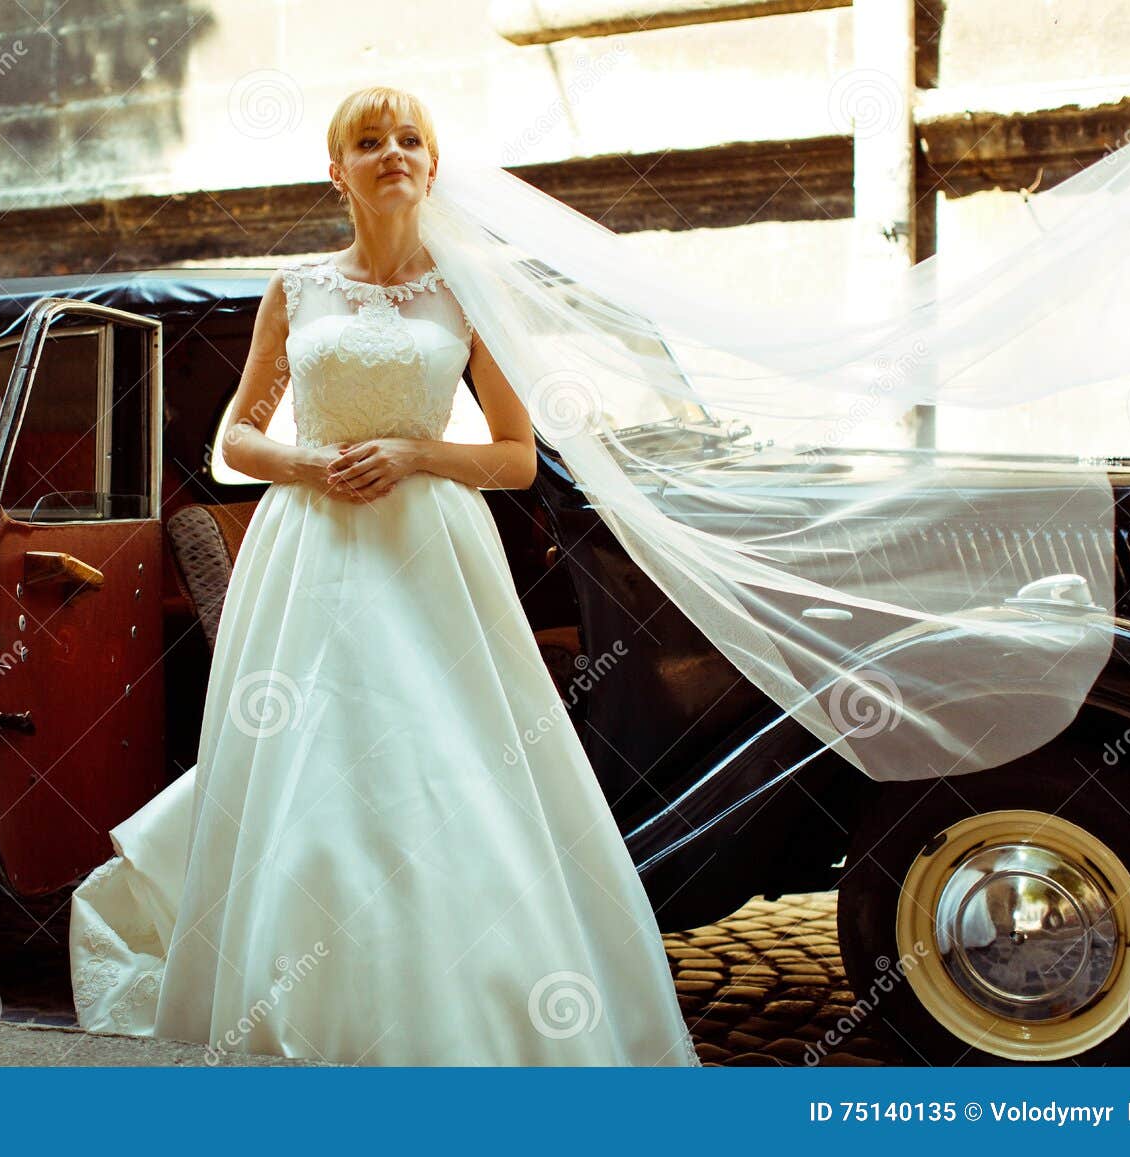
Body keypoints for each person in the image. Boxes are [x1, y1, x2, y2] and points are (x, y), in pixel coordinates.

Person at [68, 85, 701, 1067]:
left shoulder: (464, 294)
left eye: (410, 138)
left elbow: (514, 456)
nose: (393, 151)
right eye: (369, 141)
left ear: (433, 167)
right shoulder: (297, 289)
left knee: (442, 759)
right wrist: (309, 462)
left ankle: (468, 1010)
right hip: (309, 546)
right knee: (312, 760)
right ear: (339, 172)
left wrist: (413, 454)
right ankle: (298, 1010)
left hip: (430, 547)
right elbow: (234, 436)